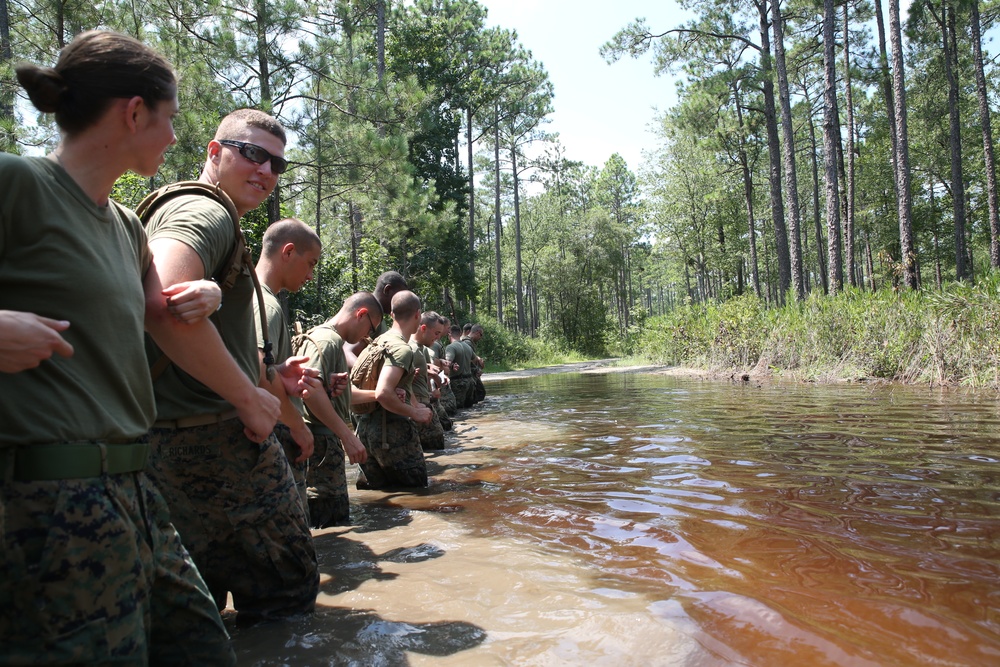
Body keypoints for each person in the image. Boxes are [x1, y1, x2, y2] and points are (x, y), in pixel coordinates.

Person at [0, 30, 235, 664]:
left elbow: (165, 315)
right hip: (43, 504)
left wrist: (207, 293)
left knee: (205, 650)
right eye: (170, 118)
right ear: (134, 113)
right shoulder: (15, 183)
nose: (174, 136)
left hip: (136, 490)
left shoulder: (128, 226)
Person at [142, 108, 319, 625]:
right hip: (219, 441)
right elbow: (163, 304)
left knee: (198, 606)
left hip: (170, 442)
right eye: (253, 154)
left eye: (277, 164)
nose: (266, 170)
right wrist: (247, 398)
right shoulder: (206, 211)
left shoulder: (205, 213)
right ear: (215, 152)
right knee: (288, 594)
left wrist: (267, 377)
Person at [253, 218, 322, 517]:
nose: (310, 275)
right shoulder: (266, 305)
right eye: (310, 264)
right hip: (271, 437)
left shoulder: (250, 296)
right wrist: (298, 426)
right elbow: (258, 369)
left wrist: (279, 371)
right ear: (289, 252)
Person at [296, 292, 382, 526]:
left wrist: (379, 394)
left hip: (320, 442)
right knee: (329, 521)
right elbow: (310, 391)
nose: (367, 336)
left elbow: (318, 389)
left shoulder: (325, 338)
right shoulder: (329, 341)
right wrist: (347, 436)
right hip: (321, 445)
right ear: (361, 314)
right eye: (370, 328)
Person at [355, 290, 433, 489]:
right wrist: (414, 412)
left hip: (365, 430)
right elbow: (383, 393)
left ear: (391, 314)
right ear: (418, 315)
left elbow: (396, 384)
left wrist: (414, 402)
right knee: (416, 493)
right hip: (392, 432)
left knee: (377, 498)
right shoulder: (402, 348)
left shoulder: (378, 341)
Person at [344, 270, 408, 369]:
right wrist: (367, 375)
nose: (399, 303)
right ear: (387, 290)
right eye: (397, 297)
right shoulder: (368, 316)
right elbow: (347, 352)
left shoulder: (377, 318)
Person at [410, 311, 447, 450]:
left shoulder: (423, 349)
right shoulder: (410, 349)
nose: (438, 338)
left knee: (435, 445)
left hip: (425, 402)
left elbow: (425, 375)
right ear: (424, 328)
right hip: (416, 405)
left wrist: (436, 378)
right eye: (436, 333)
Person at [446, 324, 475, 409]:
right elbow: (475, 360)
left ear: (449, 334)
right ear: (460, 333)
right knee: (469, 409)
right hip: (470, 381)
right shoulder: (468, 347)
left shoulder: (451, 347)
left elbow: (447, 363)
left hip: (458, 383)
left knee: (459, 410)